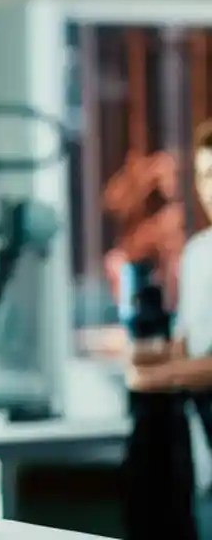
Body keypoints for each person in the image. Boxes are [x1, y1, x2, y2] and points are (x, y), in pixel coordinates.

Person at [128, 119, 212, 539]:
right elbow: (187, 342)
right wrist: (147, 356)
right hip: (202, 444)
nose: (210, 188)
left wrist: (158, 377)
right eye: (204, 176)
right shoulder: (198, 255)